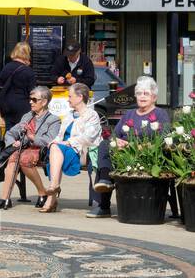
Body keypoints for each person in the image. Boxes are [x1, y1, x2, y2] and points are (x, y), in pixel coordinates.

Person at [89, 76, 171, 219]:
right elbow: (115, 135)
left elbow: (164, 137)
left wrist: (135, 145)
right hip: (124, 152)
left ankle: (103, 204)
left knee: (110, 154)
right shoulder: (129, 114)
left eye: (146, 93)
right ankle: (105, 182)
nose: (142, 96)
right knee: (105, 144)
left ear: (154, 97)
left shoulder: (160, 114)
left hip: (147, 154)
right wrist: (118, 142)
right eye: (139, 93)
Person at [0, 87, 61, 211]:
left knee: (24, 158)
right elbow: (10, 133)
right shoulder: (27, 116)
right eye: (30, 99)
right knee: (14, 158)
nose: (30, 102)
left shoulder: (53, 120)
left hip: (40, 150)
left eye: (34, 100)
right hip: (23, 149)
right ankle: (5, 199)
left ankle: (42, 192)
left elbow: (51, 140)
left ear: (44, 102)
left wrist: (32, 137)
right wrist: (13, 143)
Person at [39, 83, 102, 214]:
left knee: (56, 150)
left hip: (81, 153)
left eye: (70, 96)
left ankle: (52, 196)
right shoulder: (69, 115)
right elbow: (59, 136)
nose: (68, 99)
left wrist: (68, 142)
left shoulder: (92, 115)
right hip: (63, 151)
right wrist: (54, 142)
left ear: (79, 97)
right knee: (55, 147)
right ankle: (53, 189)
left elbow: (89, 137)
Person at [0, 43, 36, 131]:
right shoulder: (28, 71)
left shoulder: (6, 67)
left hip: (6, 106)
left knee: (9, 133)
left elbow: (0, 87)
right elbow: (32, 92)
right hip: (23, 107)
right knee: (22, 135)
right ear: (27, 54)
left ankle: (9, 144)